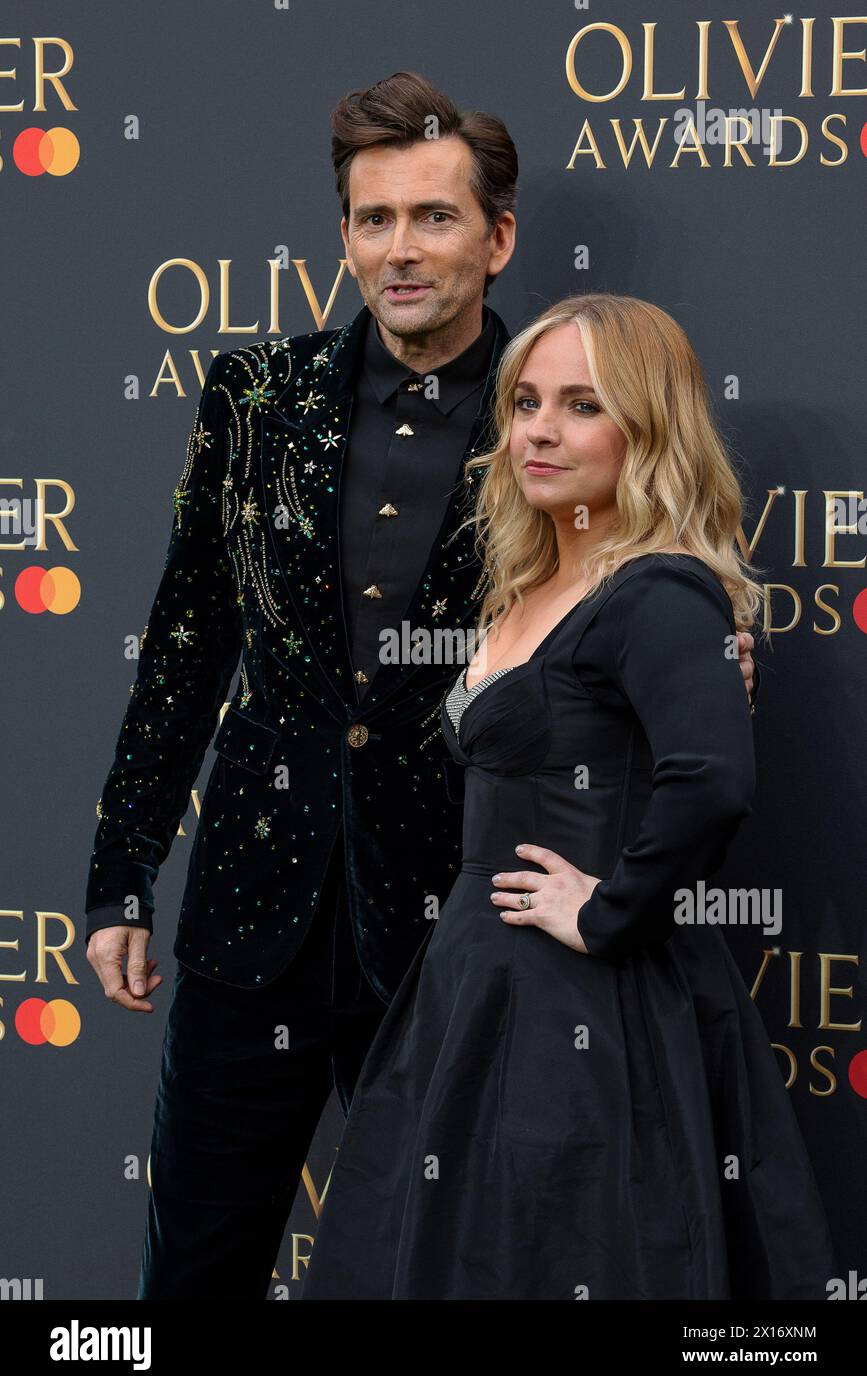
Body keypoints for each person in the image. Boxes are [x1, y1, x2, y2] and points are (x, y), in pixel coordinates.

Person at [83, 73, 758, 1300]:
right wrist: (120, 873)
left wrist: (709, 648)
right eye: (375, 218)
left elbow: (629, 594)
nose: (403, 249)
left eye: (434, 218)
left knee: (432, 1270)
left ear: (496, 238)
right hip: (254, 914)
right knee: (193, 1268)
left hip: (457, 929)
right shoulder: (252, 398)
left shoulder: (549, 409)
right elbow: (184, 647)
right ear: (343, 236)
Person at [298, 293, 836, 1301]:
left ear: (649, 427)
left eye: (583, 405)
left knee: (564, 1249)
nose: (541, 430)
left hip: (586, 1006)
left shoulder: (661, 589)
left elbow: (711, 779)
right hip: (473, 981)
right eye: (528, 402)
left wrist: (606, 910)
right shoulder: (528, 582)